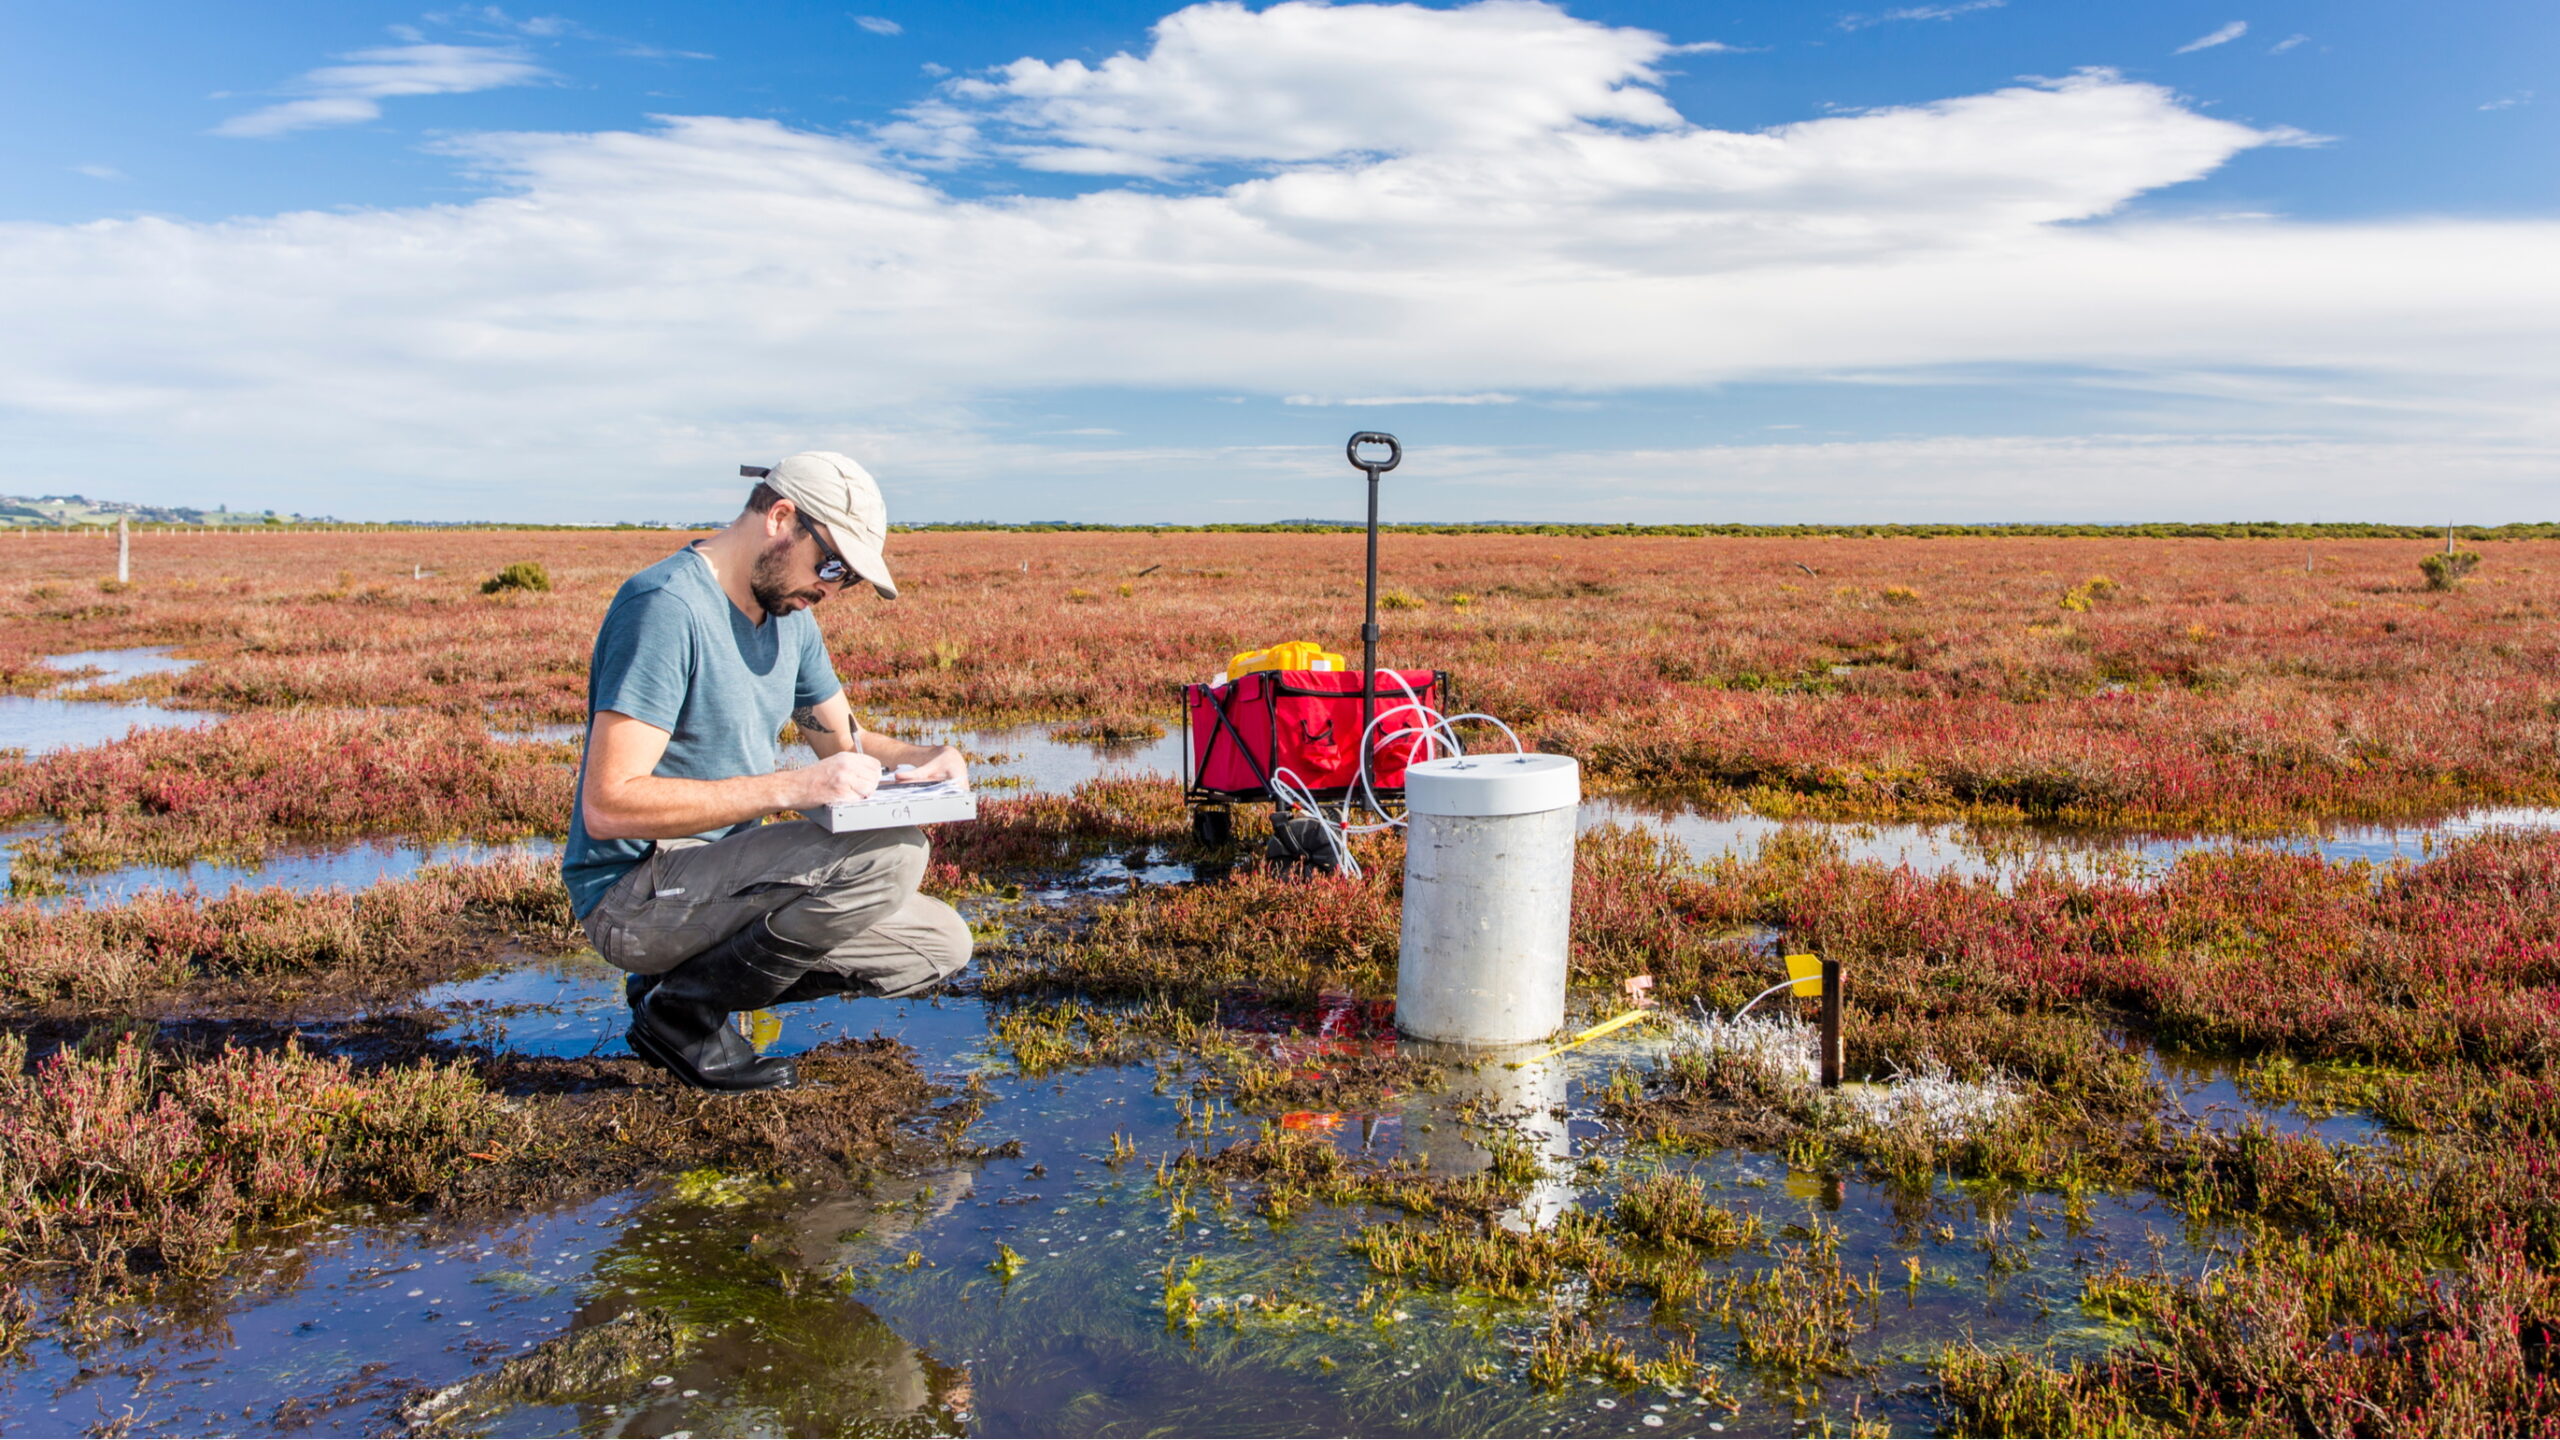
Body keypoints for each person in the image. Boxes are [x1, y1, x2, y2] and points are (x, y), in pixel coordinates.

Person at [562, 451, 972, 1092]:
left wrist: (926, 759)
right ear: (781, 518)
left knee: (940, 942)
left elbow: (844, 737)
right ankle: (682, 1014)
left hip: (724, 885)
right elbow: (611, 804)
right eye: (833, 565)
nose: (831, 589)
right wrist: (790, 787)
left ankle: (680, 988)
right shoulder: (665, 607)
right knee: (892, 855)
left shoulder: (791, 620)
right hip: (635, 897)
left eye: (850, 580)